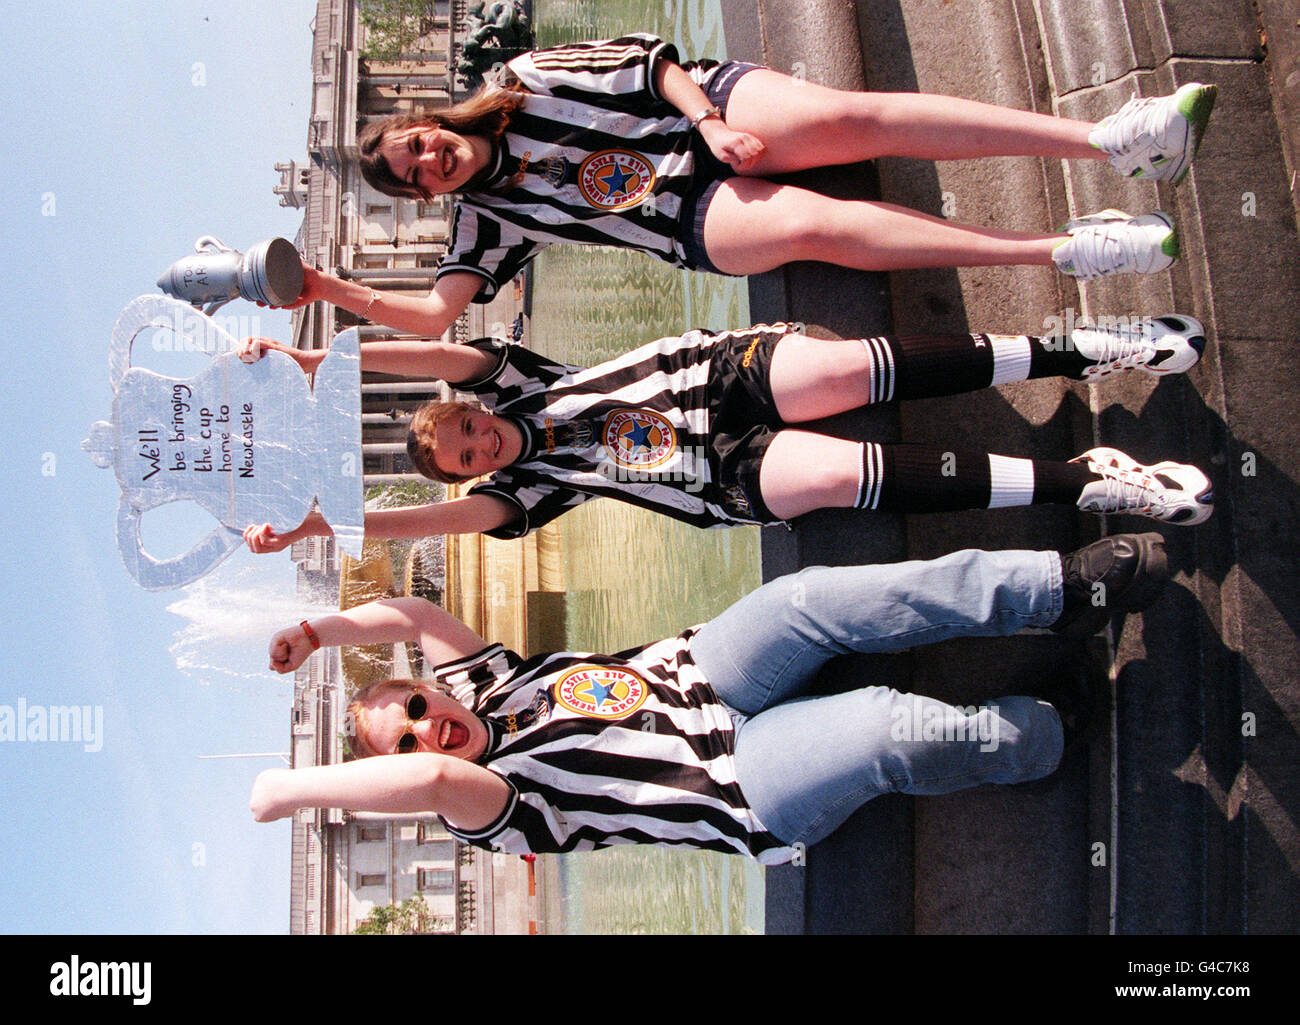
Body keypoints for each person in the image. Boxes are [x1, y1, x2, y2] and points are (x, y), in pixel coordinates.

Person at [248, 532, 1168, 861]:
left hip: (708, 669)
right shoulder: (493, 808)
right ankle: (1044, 737)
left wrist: (321, 633)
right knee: (888, 729)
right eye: (410, 744)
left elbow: (409, 607)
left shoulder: (484, 680)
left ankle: (1061, 589)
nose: (426, 729)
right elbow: (434, 788)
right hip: (741, 789)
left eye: (412, 707)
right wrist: (294, 788)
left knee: (807, 599)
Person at [269, 34, 1217, 342]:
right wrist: (328, 294)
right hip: (683, 215)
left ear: (428, 121)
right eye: (413, 175)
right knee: (819, 225)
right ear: (426, 196)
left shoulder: (525, 78)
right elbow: (438, 319)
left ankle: (1108, 138)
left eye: (418, 143)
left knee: (856, 119)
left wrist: (713, 121)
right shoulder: (488, 219)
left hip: (697, 112)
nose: (428, 160)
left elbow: (648, 62)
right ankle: (1067, 248)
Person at [240, 316, 1214, 555]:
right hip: (720, 477)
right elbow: (426, 531)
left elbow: (424, 355)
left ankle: (1078, 348)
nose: (475, 446)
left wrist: (310, 359)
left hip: (715, 371)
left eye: (465, 431)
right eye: (461, 461)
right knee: (838, 473)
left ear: (471, 410)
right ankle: (1083, 483)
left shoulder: (515, 380)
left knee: (842, 368)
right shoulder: (525, 496)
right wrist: (318, 529)